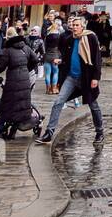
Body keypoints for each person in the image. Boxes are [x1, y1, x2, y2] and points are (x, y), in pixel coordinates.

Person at [39, 16, 103, 145]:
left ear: (83, 26)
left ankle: (99, 132)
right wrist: (61, 61)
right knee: (58, 102)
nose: (74, 27)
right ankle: (49, 132)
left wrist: (96, 77)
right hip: (71, 77)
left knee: (93, 105)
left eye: (77, 25)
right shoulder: (69, 39)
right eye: (73, 25)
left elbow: (97, 59)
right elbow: (67, 57)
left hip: (86, 78)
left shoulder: (90, 37)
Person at [0, 27, 40, 139]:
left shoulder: (8, 51)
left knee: (6, 105)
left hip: (13, 82)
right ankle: (13, 131)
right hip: (25, 80)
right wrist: (26, 68)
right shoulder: (26, 48)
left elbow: (0, 67)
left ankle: (0, 129)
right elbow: (35, 60)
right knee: (21, 106)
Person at [43, 19, 64, 96]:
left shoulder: (47, 36)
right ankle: (54, 88)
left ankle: (48, 89)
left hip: (47, 56)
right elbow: (60, 47)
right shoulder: (59, 36)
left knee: (47, 74)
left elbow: (44, 46)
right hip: (55, 56)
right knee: (55, 72)